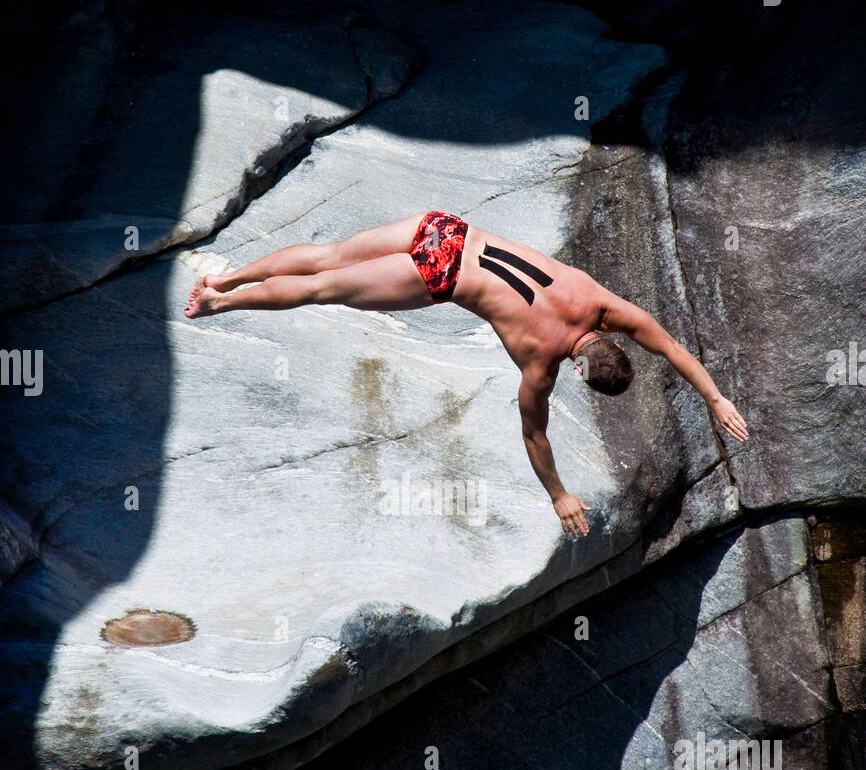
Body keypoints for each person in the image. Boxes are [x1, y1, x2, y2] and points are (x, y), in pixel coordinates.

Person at [185, 209, 749, 538]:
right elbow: (534, 435)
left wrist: (717, 397)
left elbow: (671, 346)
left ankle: (227, 279)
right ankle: (220, 305)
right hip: (439, 272)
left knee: (329, 256)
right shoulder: (541, 364)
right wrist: (558, 496)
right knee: (321, 290)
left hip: (447, 229)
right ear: (581, 371)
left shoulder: (604, 304)